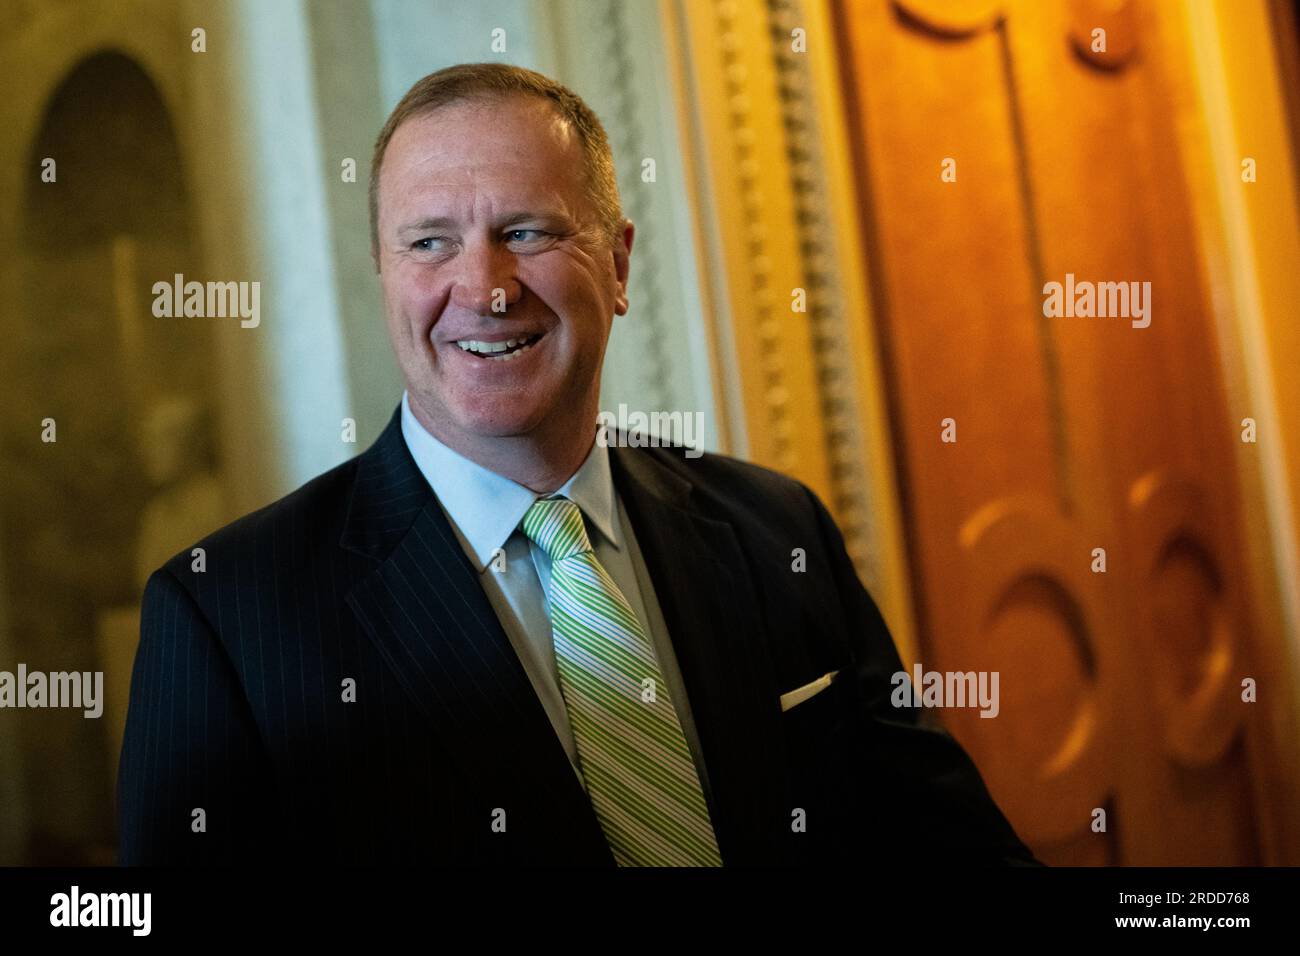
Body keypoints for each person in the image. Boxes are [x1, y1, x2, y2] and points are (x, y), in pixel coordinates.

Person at [117, 62, 1039, 866]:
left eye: (527, 231)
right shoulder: (227, 618)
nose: (484, 288)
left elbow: (950, 848)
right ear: (386, 276)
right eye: (429, 241)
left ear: (619, 262)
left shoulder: (776, 529)